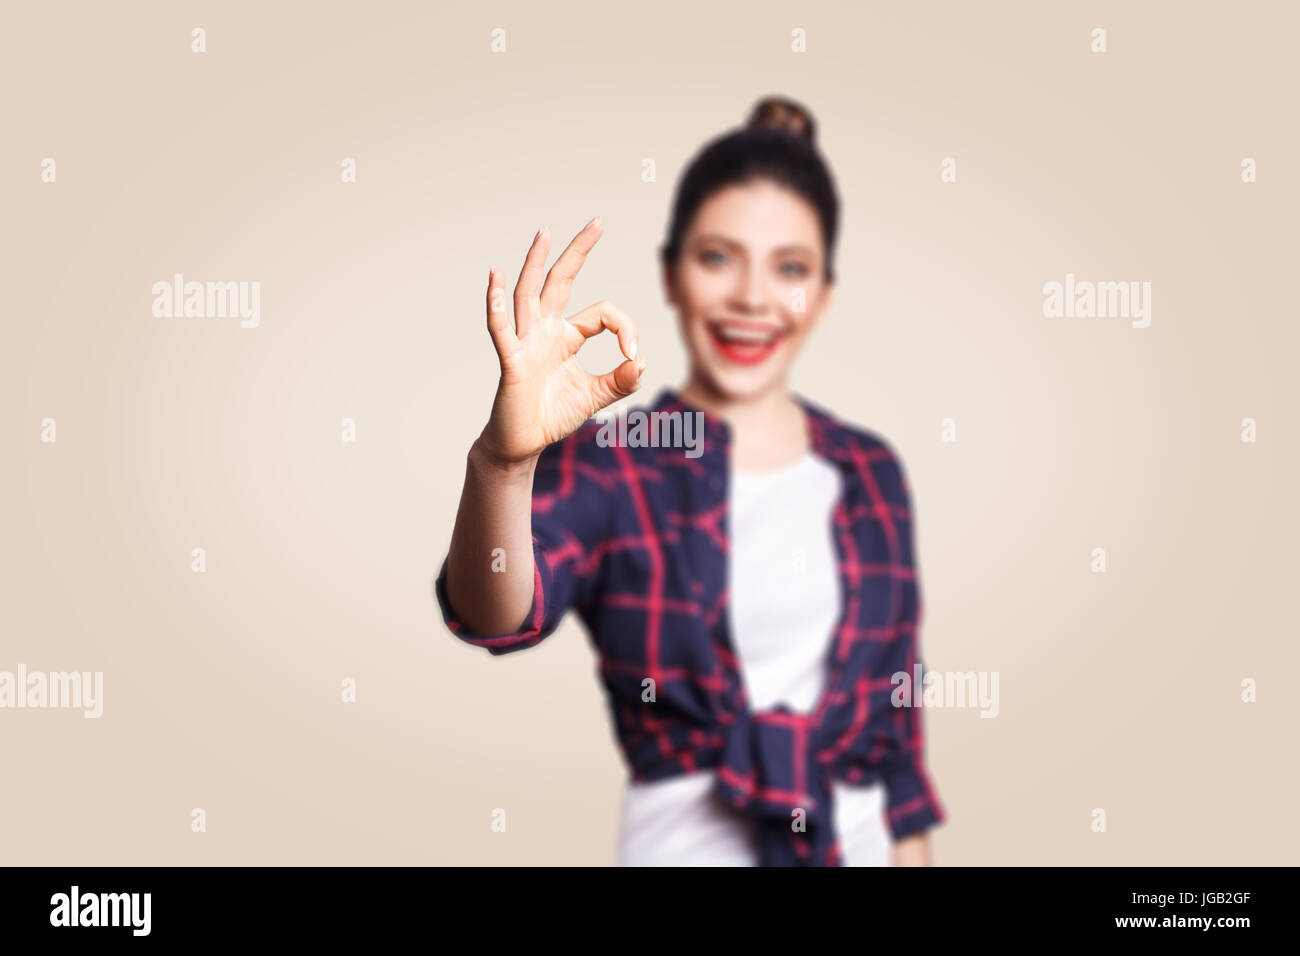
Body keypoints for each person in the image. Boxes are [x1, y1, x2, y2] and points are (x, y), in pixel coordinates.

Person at [436, 95, 946, 866]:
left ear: (826, 295)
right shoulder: (620, 459)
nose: (751, 297)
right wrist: (503, 467)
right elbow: (498, 612)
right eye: (717, 257)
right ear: (671, 274)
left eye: (792, 268)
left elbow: (898, 749)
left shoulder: (872, 472)